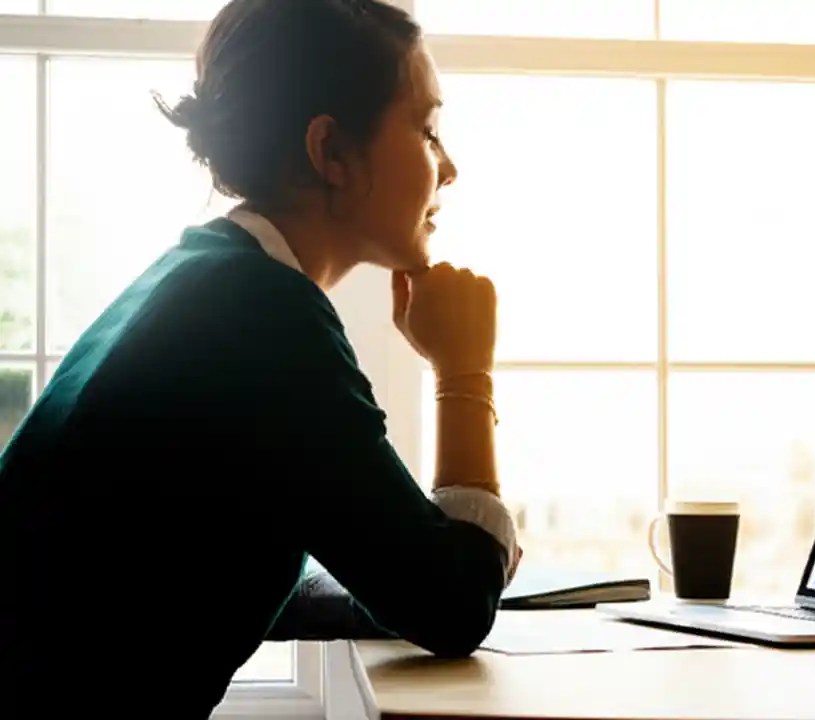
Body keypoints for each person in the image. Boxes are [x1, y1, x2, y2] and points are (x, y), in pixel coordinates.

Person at [0, 0, 520, 715]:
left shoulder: (198, 276)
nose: (449, 168)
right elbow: (454, 606)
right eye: (427, 129)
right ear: (331, 152)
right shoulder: (263, 315)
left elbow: (166, 562)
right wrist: (465, 372)